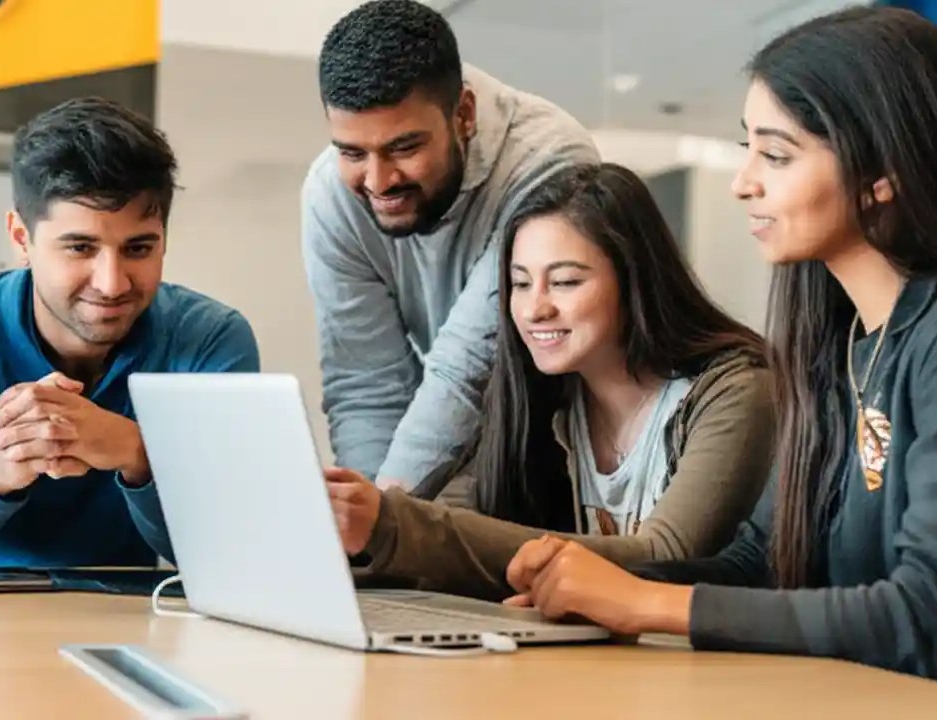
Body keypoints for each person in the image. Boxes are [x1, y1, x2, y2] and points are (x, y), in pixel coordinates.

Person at [501, 6, 937, 703]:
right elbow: (760, 560)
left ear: (880, 170)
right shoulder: (839, 337)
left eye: (776, 154)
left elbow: (931, 613)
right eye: (749, 149)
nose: (745, 181)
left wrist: (643, 605)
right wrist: (594, 585)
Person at [324, 163, 776, 599]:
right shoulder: (541, 394)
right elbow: (460, 519)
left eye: (563, 282)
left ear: (634, 278)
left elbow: (665, 556)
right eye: (520, 284)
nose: (534, 309)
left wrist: (397, 526)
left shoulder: (735, 390)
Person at [0, 97, 260, 571]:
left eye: (139, 248)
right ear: (21, 239)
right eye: (80, 247)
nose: (112, 282)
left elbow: (234, 558)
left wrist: (138, 451)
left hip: (132, 629)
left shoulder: (211, 340)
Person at [302, 0, 599, 498]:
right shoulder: (330, 193)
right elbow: (364, 383)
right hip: (446, 445)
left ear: (463, 114)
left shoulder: (550, 160)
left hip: (556, 447)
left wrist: (387, 523)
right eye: (353, 152)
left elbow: (470, 366)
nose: (378, 181)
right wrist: (367, 537)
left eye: (404, 148)